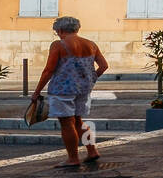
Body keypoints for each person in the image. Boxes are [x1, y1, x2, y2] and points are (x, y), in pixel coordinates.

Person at [30, 16, 108, 169]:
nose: (57, 34)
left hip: (62, 90)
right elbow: (104, 66)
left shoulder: (59, 45)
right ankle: (92, 151)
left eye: (57, 32)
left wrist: (37, 91)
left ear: (60, 30)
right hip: (83, 89)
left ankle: (73, 158)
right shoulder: (91, 44)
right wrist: (91, 78)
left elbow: (48, 70)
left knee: (66, 123)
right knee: (78, 121)